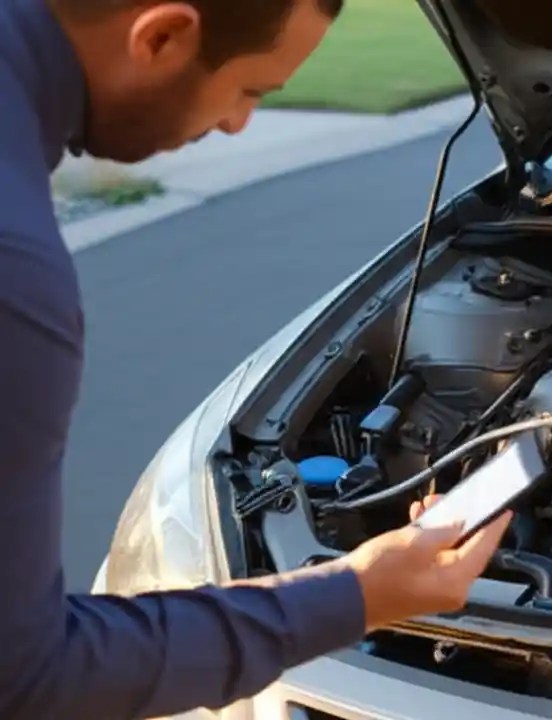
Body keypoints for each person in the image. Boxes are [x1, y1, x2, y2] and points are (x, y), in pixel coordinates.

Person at [0, 0, 513, 717]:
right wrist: (361, 594)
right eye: (250, 90)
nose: (239, 123)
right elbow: (27, 677)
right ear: (163, 35)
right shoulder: (17, 278)